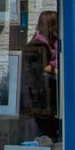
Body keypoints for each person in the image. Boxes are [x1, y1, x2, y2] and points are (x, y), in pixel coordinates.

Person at [19, 9, 60, 139]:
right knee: (45, 135)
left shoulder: (51, 45)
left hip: (46, 100)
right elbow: (40, 71)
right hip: (40, 101)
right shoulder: (38, 45)